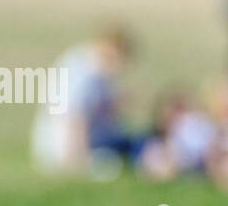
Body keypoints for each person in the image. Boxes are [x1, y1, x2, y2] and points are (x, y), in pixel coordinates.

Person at [31, 23, 144, 177]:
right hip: (66, 149)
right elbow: (74, 118)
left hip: (84, 143)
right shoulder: (82, 73)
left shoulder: (91, 66)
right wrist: (78, 160)